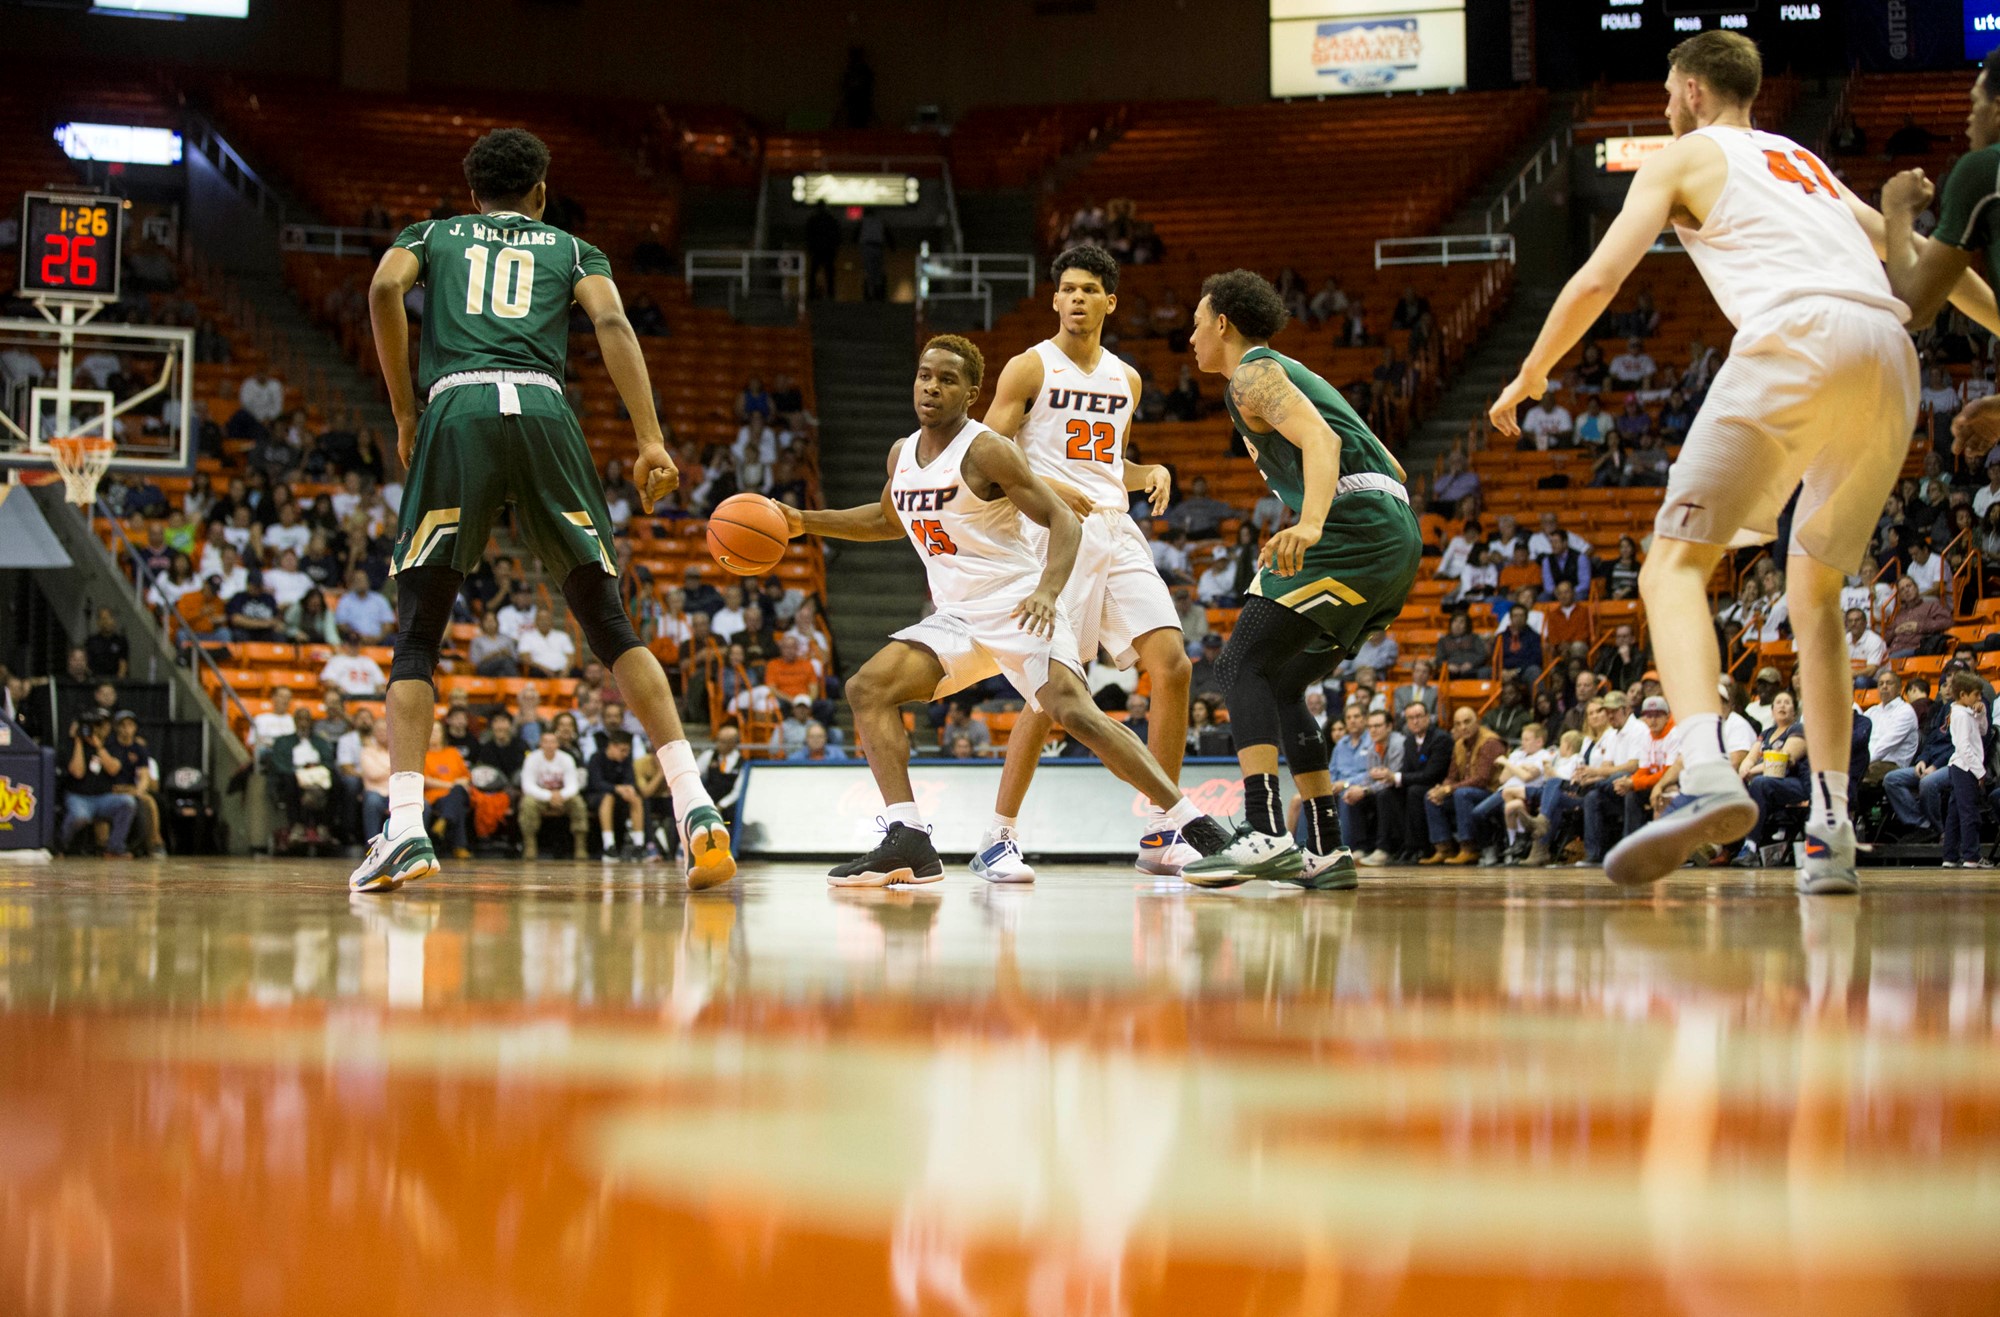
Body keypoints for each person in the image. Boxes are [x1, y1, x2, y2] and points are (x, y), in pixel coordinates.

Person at [1494, 31, 2000, 895]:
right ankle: (1831, 830)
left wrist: (1533, 369)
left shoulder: (1686, 154)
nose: (1662, 103)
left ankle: (1703, 770)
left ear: (1691, 89)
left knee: (1671, 568)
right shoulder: (1799, 159)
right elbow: (1934, 270)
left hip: (1797, 334)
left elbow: (1597, 279)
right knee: (1816, 597)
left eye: (1664, 88)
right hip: (1887, 351)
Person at [356, 127, 732, 892]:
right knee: (608, 620)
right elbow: (615, 324)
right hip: (544, 407)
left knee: (418, 632)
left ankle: (404, 827)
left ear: (471, 193)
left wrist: (404, 413)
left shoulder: (431, 234)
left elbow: (384, 289)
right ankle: (696, 807)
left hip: (455, 409)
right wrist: (651, 438)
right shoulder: (571, 248)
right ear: (540, 192)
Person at [775, 335, 1282, 886]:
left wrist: (1046, 590)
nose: (931, 387)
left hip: (1017, 603)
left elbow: (1063, 520)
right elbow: (885, 521)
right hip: (958, 618)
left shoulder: (988, 448)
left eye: (947, 380)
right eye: (925, 376)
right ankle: (909, 839)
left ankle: (1195, 828)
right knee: (866, 689)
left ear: (971, 392)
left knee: (1074, 713)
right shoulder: (901, 454)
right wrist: (802, 521)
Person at [929, 248, 1200, 882]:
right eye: (1067, 290)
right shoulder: (1029, 368)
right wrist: (1050, 490)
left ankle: (1162, 832)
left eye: (1089, 291)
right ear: (1054, 300)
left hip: (1115, 527)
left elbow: (1108, 463)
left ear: (1110, 302)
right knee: (1049, 694)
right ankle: (998, 836)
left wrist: (1149, 470)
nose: (1076, 299)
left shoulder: (1127, 379)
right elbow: (982, 455)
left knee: (1175, 666)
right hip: (1052, 537)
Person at [1177, 269, 1423, 890]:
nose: (1191, 338)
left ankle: (1262, 829)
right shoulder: (1284, 373)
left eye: (1197, 324)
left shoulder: (1254, 374)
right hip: (1389, 536)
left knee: (1236, 666)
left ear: (1224, 324)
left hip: (1353, 535)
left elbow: (1320, 441)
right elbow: (1386, 461)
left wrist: (1312, 526)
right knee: (1283, 684)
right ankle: (1328, 849)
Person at [63, 711, 137, 857]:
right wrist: (78, 741)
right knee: (80, 817)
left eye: (101, 725)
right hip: (79, 797)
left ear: (108, 727)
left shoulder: (112, 745)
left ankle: (115, 847)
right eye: (94, 725)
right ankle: (61, 845)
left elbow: (113, 769)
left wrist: (99, 747)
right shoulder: (73, 744)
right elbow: (77, 772)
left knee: (127, 802)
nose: (97, 729)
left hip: (103, 798)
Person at [1941, 673, 1991, 868]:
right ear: (1963, 694)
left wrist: (1982, 713)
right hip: (1965, 768)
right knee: (1969, 812)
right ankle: (1971, 856)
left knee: (1954, 813)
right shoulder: (1960, 715)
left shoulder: (1966, 712)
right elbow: (1963, 746)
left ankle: (1950, 856)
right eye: (1976, 695)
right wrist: (1980, 772)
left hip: (1962, 767)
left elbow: (1983, 731)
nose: (1979, 698)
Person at [519, 733, 588, 859]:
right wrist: (549, 796)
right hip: (540, 796)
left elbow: (573, 785)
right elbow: (527, 785)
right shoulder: (532, 758)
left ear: (558, 744)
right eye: (546, 742)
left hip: (563, 797)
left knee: (578, 802)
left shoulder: (567, 758)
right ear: (540, 744)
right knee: (527, 803)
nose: (549, 745)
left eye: (552, 742)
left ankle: (580, 846)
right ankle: (530, 846)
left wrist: (560, 795)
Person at [84, 608, 129, 679]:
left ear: (114, 620)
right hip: (94, 681)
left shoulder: (121, 641)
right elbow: (85, 664)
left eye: (109, 618)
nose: (107, 622)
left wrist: (117, 683)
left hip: (115, 682)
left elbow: (123, 665)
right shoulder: (91, 641)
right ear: (98, 622)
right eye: (103, 619)